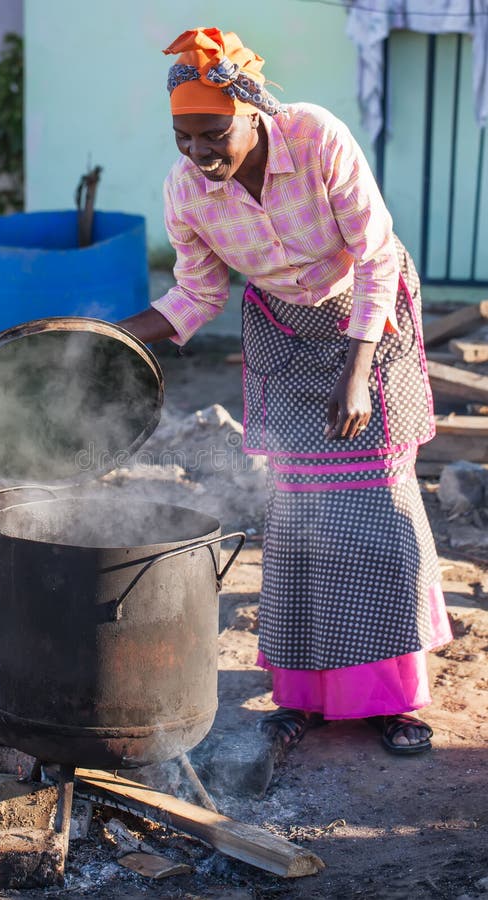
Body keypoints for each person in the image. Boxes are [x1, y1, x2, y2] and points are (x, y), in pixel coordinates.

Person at [119, 26, 452, 755]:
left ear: (251, 114)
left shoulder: (315, 137)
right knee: (299, 509)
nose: (199, 155)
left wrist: (358, 371)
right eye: (184, 138)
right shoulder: (187, 192)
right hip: (283, 328)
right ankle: (304, 692)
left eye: (212, 135)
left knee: (377, 504)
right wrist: (109, 336)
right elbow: (195, 295)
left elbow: (373, 253)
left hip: (371, 316)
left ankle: (394, 700)